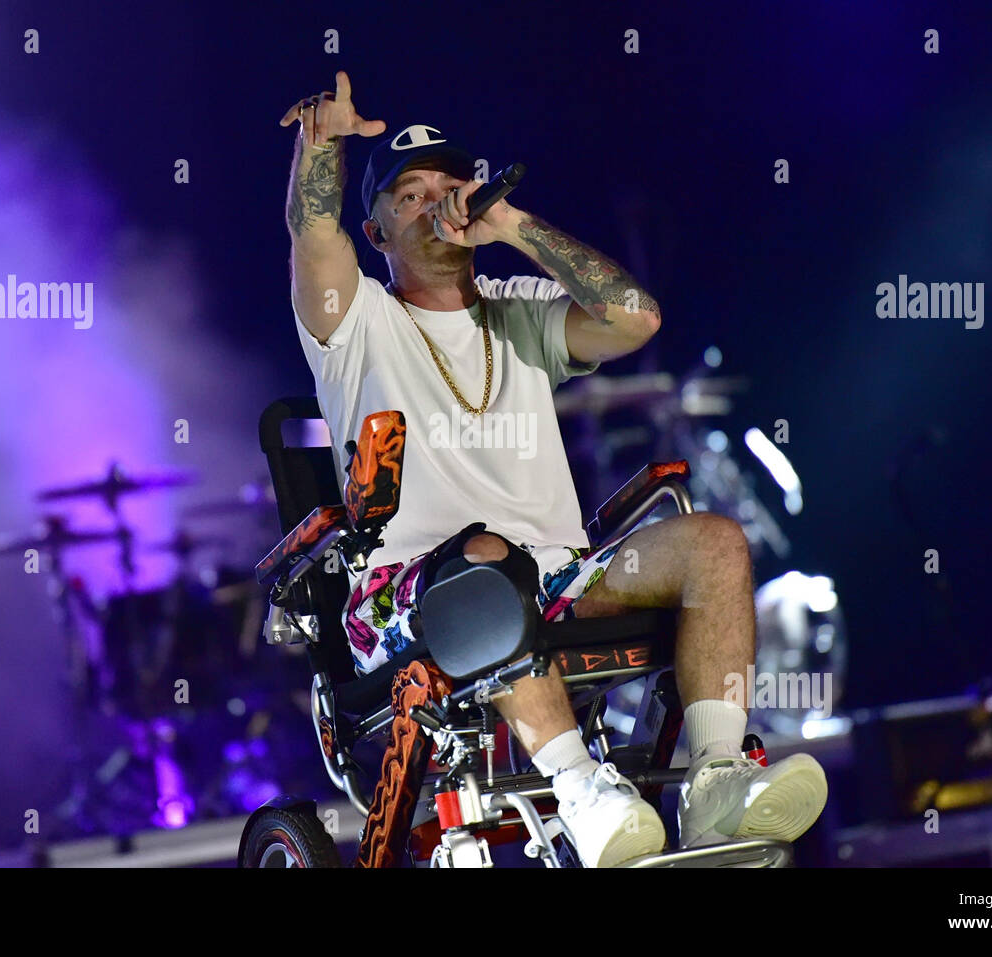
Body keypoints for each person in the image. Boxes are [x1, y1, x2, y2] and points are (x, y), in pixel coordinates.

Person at [278, 71, 827, 867]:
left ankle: (714, 785)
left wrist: (512, 224)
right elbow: (311, 235)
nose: (434, 202)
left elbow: (636, 319)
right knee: (483, 563)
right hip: (411, 593)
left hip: (552, 575)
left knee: (713, 541)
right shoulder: (355, 318)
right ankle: (582, 791)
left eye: (448, 186)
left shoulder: (517, 307)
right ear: (377, 232)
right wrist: (320, 144)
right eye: (409, 196)